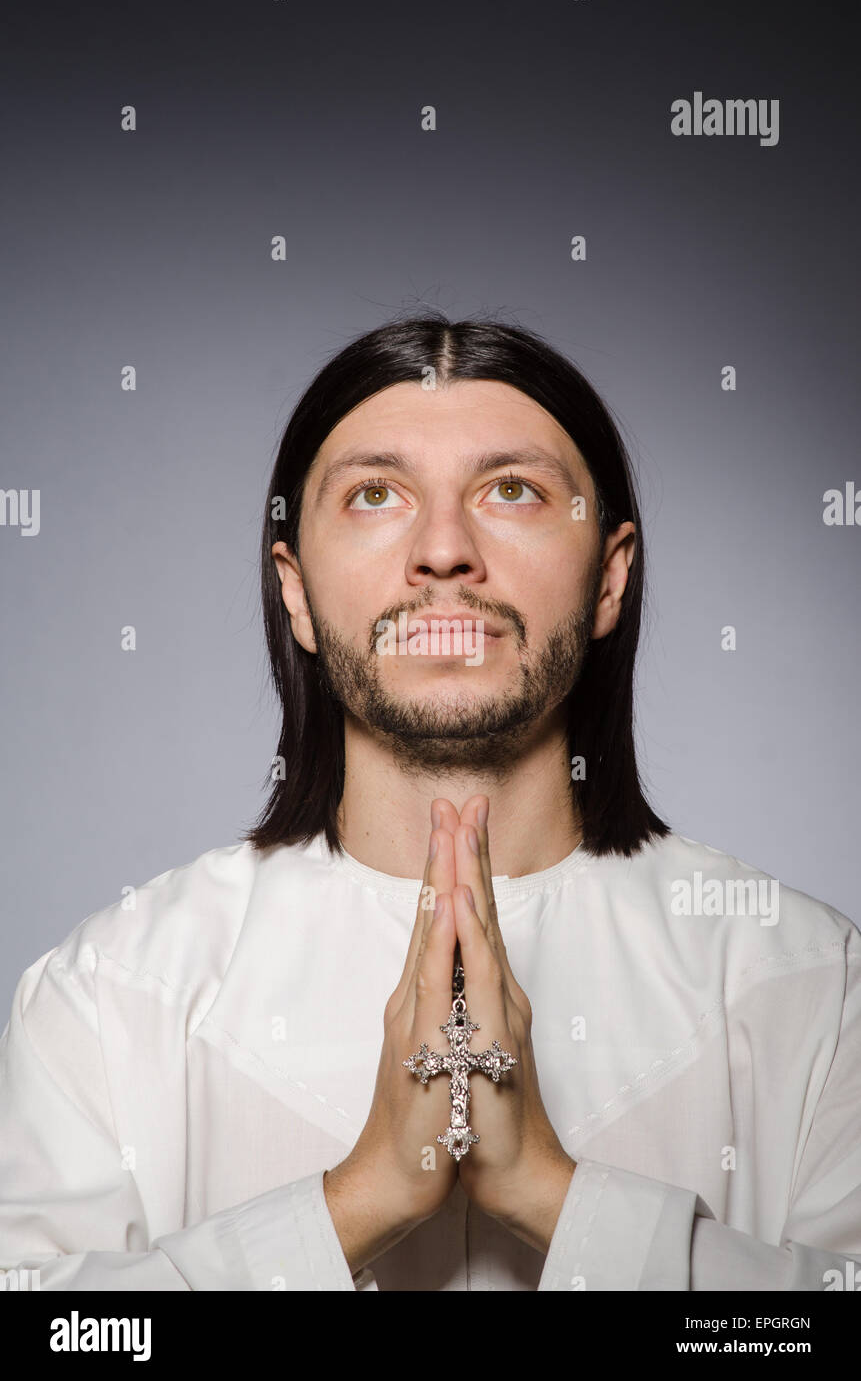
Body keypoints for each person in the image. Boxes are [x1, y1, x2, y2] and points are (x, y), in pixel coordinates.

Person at [1, 314, 858, 1291]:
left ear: (611, 575)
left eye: (513, 491)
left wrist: (555, 1195)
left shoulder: (813, 991)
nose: (443, 549)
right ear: (295, 590)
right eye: (375, 494)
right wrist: (355, 1202)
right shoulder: (111, 997)